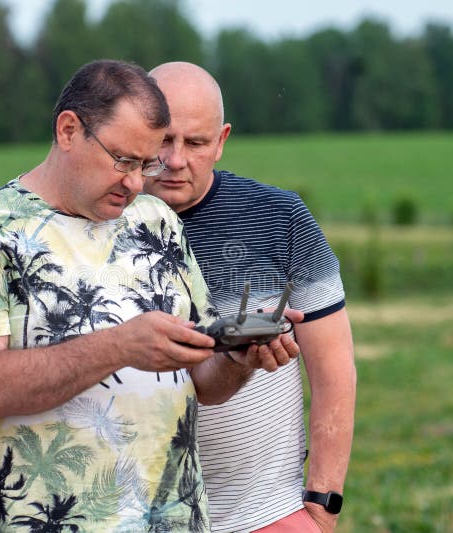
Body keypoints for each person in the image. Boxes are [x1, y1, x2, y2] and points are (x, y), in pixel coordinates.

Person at [0, 59, 301, 532]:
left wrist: (239, 357)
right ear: (68, 130)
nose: (136, 182)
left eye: (145, 164)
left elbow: (205, 383)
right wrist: (120, 346)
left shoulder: (157, 220)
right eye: (122, 160)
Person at [144, 61, 357, 533]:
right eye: (163, 139)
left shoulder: (281, 216)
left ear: (221, 141)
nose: (176, 160)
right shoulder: (101, 223)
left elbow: (334, 370)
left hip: (267, 513)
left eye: (196, 143)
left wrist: (322, 505)